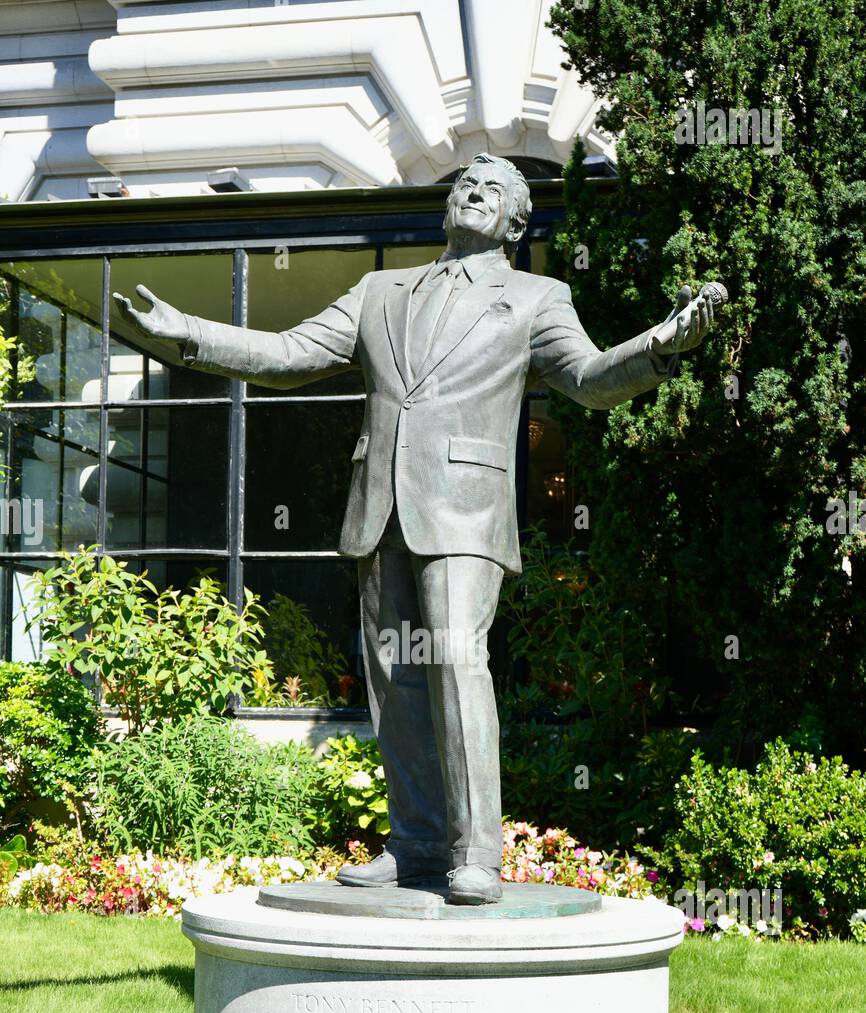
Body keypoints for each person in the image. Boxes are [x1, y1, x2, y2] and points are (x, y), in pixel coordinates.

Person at [115, 153, 716, 905]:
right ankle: (418, 845)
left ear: (515, 221)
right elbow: (291, 353)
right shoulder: (380, 291)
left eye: (493, 188)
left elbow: (590, 382)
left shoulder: (536, 297)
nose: (473, 192)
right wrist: (187, 333)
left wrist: (660, 348)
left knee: (460, 663)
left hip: (466, 510)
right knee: (396, 682)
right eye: (465, 183)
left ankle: (477, 854)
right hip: (380, 509)